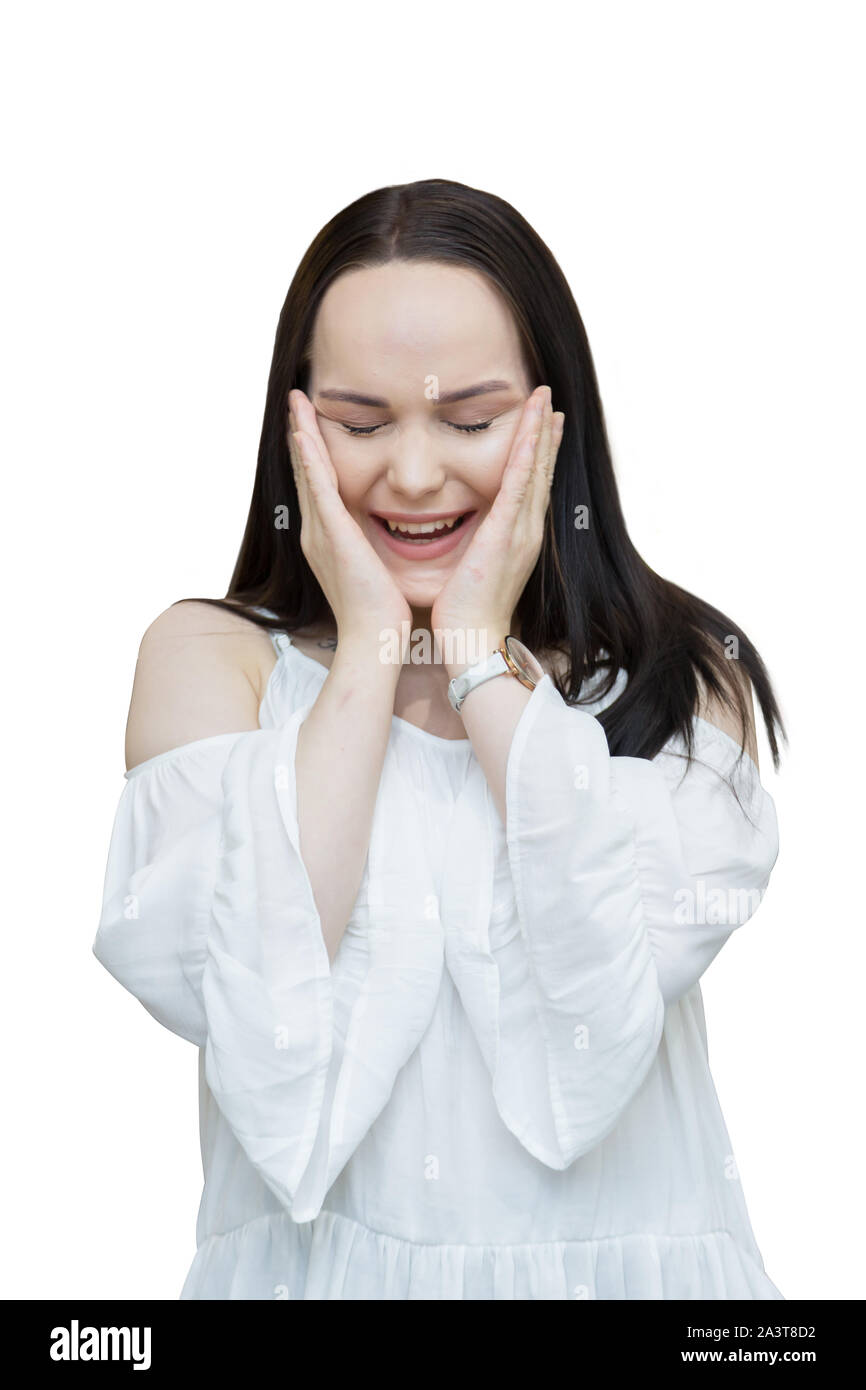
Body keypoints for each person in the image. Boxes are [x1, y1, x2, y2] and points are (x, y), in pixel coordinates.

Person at [93, 178, 786, 1300]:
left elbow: (601, 1004)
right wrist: (372, 644)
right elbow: (241, 997)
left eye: (469, 421)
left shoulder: (677, 677)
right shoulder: (211, 659)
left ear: (554, 420)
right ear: (295, 427)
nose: (413, 476)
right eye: (360, 424)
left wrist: (472, 652)